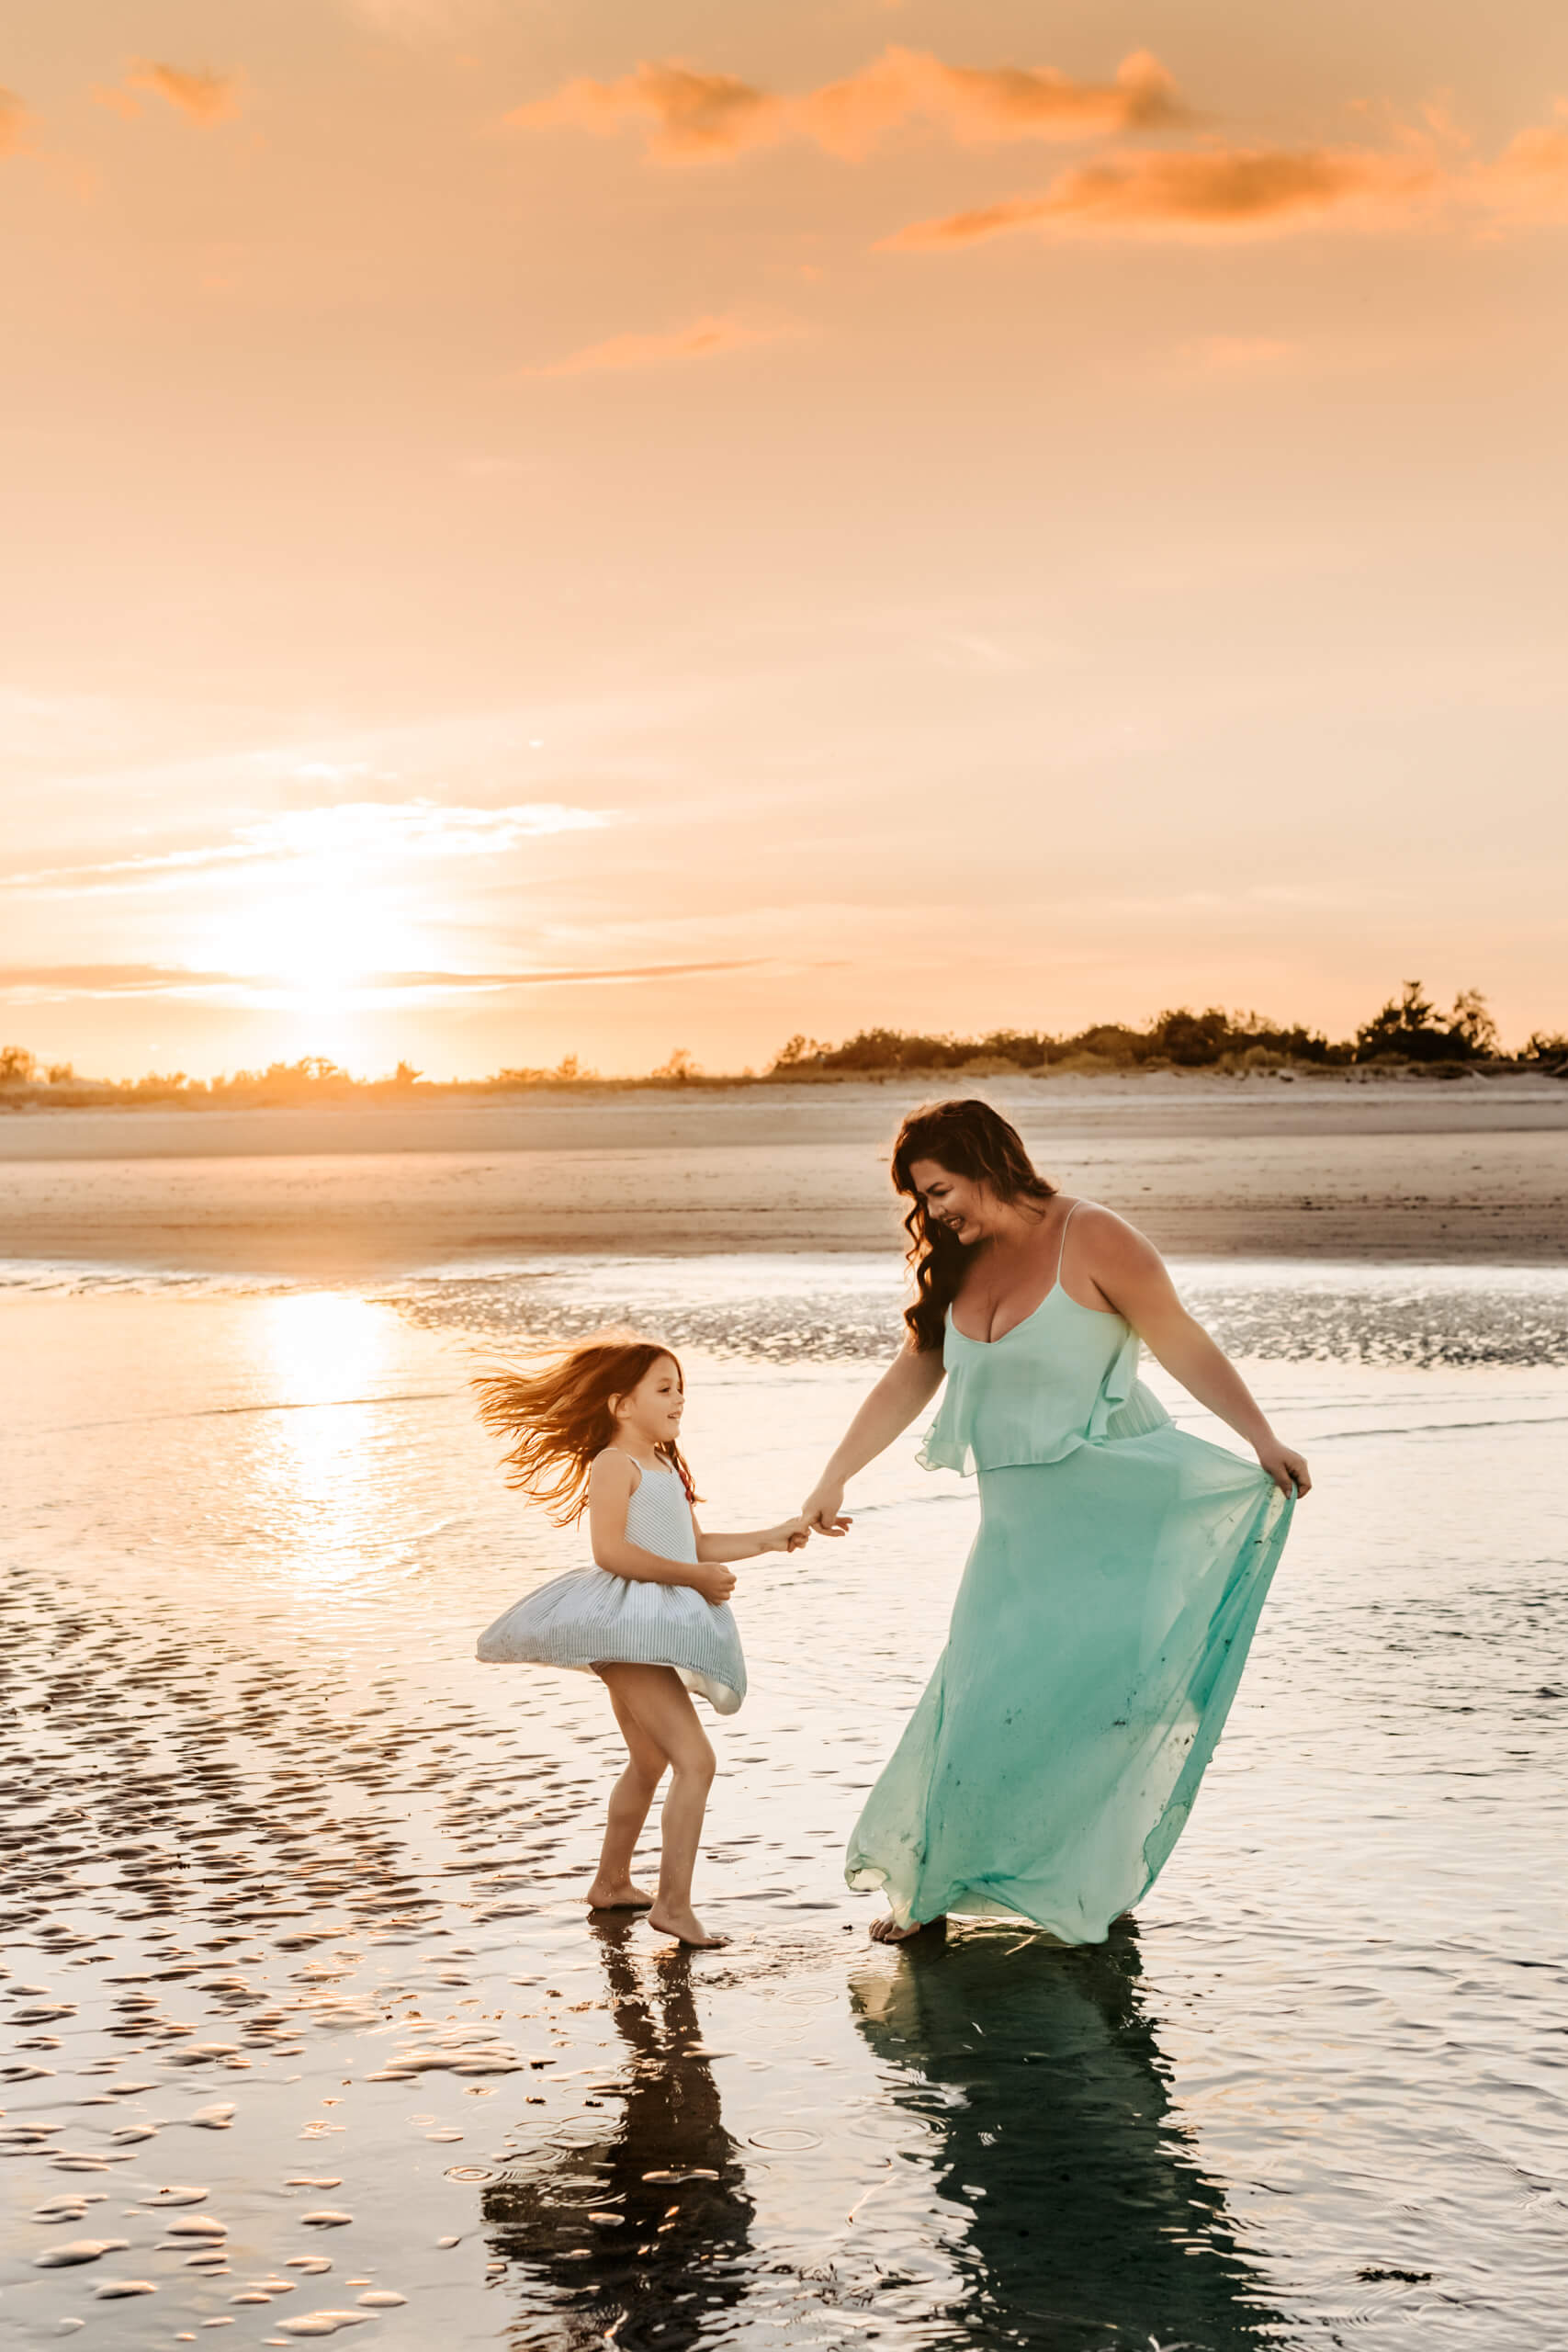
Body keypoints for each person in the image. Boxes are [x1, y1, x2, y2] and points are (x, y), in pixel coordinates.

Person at [801, 1098, 1310, 1946]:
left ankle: (1090, 1884)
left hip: (1115, 1522)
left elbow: (1180, 1339)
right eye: (922, 1200)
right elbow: (907, 1378)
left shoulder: (1094, 1237)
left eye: (939, 1190)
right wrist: (834, 1474)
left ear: (984, 1163)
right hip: (1014, 1536)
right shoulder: (955, 1265)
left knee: (1089, 1714)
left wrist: (1258, 1437)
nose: (934, 1214)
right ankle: (927, 1888)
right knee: (973, 1702)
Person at [474, 1335, 808, 1948]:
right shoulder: (614, 1463)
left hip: (647, 1628)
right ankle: (673, 1907)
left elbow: (696, 1545)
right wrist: (693, 1579)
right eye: (664, 1389)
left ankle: (611, 1883)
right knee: (695, 1760)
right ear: (620, 1405)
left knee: (652, 1760)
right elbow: (611, 1552)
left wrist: (770, 1537)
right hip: (626, 1629)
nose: (679, 1399)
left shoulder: (666, 1464)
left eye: (681, 1388)